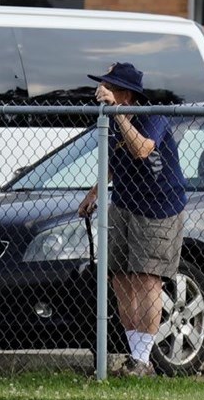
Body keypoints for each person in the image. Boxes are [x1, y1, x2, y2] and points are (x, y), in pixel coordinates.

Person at [78, 62, 187, 378]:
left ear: (125, 94)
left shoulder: (151, 115)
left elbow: (141, 150)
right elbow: (115, 158)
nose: (102, 90)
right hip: (124, 204)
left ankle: (142, 361)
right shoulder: (109, 118)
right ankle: (135, 358)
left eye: (109, 86)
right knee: (121, 279)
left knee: (147, 278)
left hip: (158, 207)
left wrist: (118, 114)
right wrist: (95, 192)